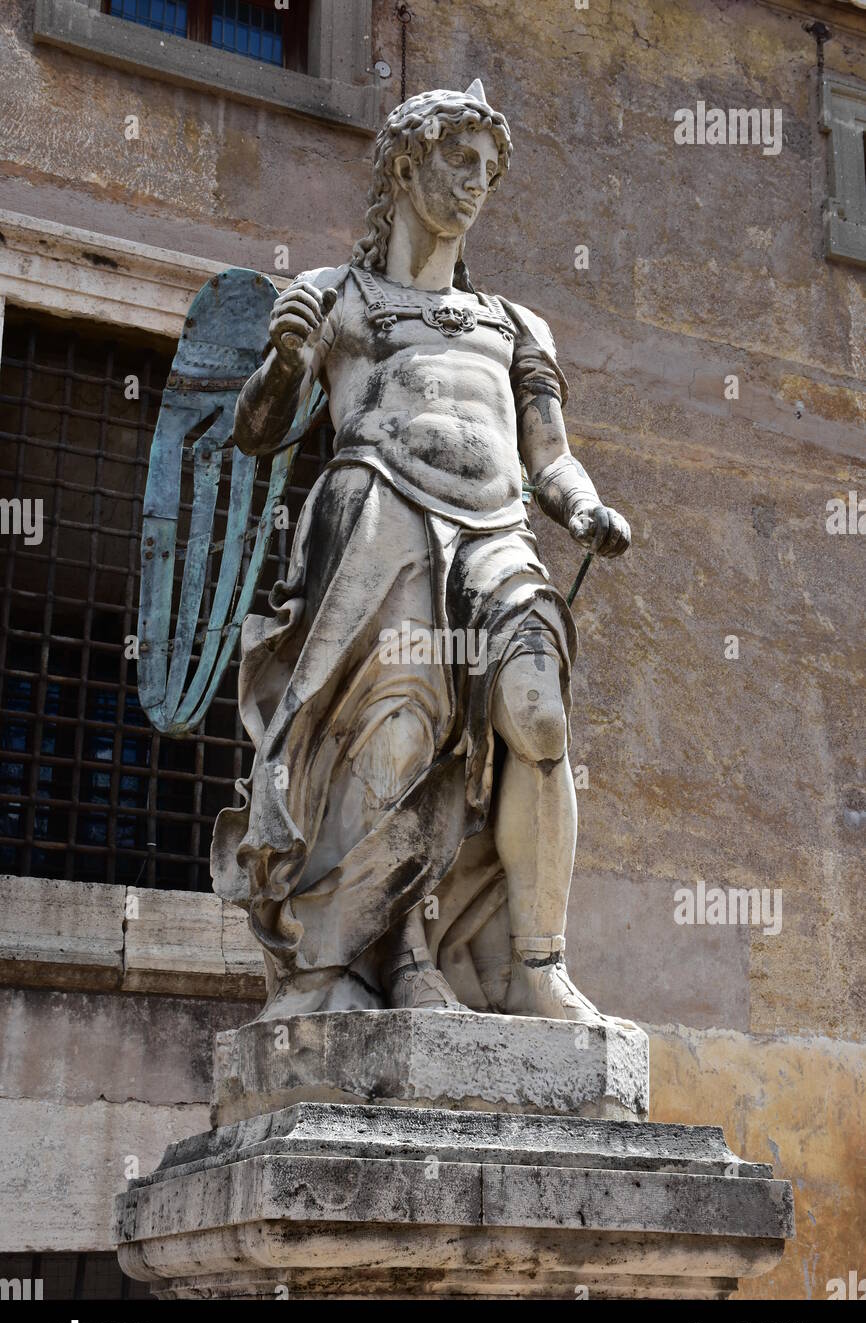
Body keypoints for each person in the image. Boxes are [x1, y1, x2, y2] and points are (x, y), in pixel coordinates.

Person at [211, 82, 631, 1024]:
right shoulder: (338, 295)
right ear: (404, 167)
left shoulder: (514, 324)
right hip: (380, 526)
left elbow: (549, 457)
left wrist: (585, 509)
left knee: (540, 719)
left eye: (489, 169)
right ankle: (391, 956)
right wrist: (286, 360)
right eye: (459, 161)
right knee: (396, 738)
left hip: (497, 534)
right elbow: (259, 430)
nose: (477, 183)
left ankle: (538, 966)